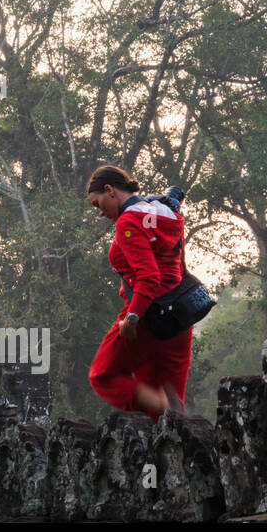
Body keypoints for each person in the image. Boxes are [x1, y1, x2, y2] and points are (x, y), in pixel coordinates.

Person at [86, 165, 192, 420]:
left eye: (97, 203)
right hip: (178, 317)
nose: (100, 212)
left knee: (102, 376)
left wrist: (132, 318)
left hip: (145, 314)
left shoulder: (128, 221)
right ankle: (174, 423)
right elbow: (178, 265)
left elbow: (148, 277)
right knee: (167, 392)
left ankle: (161, 408)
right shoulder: (166, 212)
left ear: (110, 190)